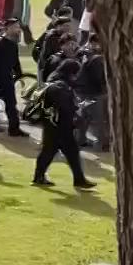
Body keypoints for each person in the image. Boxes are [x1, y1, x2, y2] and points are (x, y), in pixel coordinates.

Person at [33, 59, 96, 189]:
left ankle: (78, 179)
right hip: (59, 125)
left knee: (63, 151)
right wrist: (78, 109)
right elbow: (65, 107)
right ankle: (40, 176)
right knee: (51, 151)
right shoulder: (61, 86)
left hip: (53, 123)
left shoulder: (55, 81)